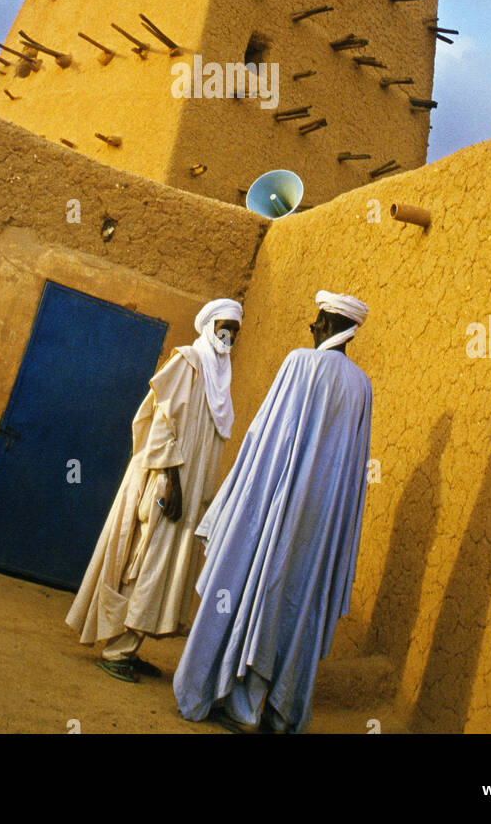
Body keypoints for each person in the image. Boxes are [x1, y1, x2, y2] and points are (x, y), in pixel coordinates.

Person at [172, 290, 372, 733]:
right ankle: (272, 709)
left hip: (275, 505)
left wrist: (244, 499)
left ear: (331, 326)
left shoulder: (301, 363)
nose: (312, 328)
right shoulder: (361, 387)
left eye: (317, 321)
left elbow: (267, 439)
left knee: (251, 580)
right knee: (292, 601)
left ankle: (227, 696)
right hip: (318, 525)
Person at [65, 298, 243, 682]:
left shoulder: (219, 377)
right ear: (209, 326)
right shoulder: (188, 362)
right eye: (224, 327)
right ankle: (116, 650)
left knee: (161, 565)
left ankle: (130, 647)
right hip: (167, 483)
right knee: (144, 561)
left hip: (189, 489)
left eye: (235, 331)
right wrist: (171, 481)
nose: (229, 336)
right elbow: (162, 424)